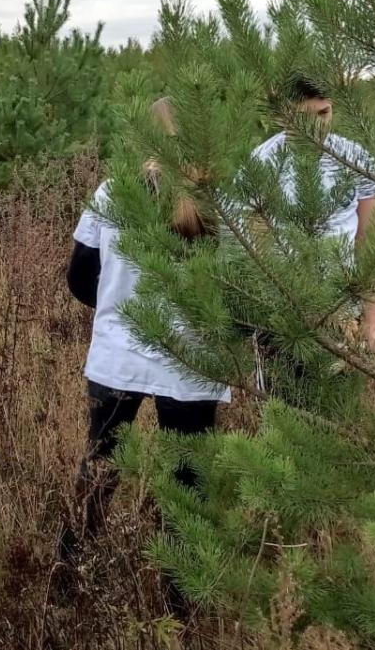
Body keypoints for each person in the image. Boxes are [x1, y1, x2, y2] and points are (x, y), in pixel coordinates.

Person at [60, 98, 231, 564]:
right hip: (194, 360)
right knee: (188, 480)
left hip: (120, 354)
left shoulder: (113, 192)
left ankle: (71, 573)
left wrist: (120, 310)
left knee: (101, 463)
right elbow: (242, 287)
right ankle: (181, 600)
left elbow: (79, 277)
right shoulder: (226, 200)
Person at [249, 75, 375, 351]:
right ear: (282, 116)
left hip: (343, 311)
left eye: (324, 113)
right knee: (282, 394)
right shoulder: (260, 163)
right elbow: (258, 250)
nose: (318, 125)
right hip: (283, 316)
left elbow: (370, 244)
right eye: (304, 116)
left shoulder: (354, 159)